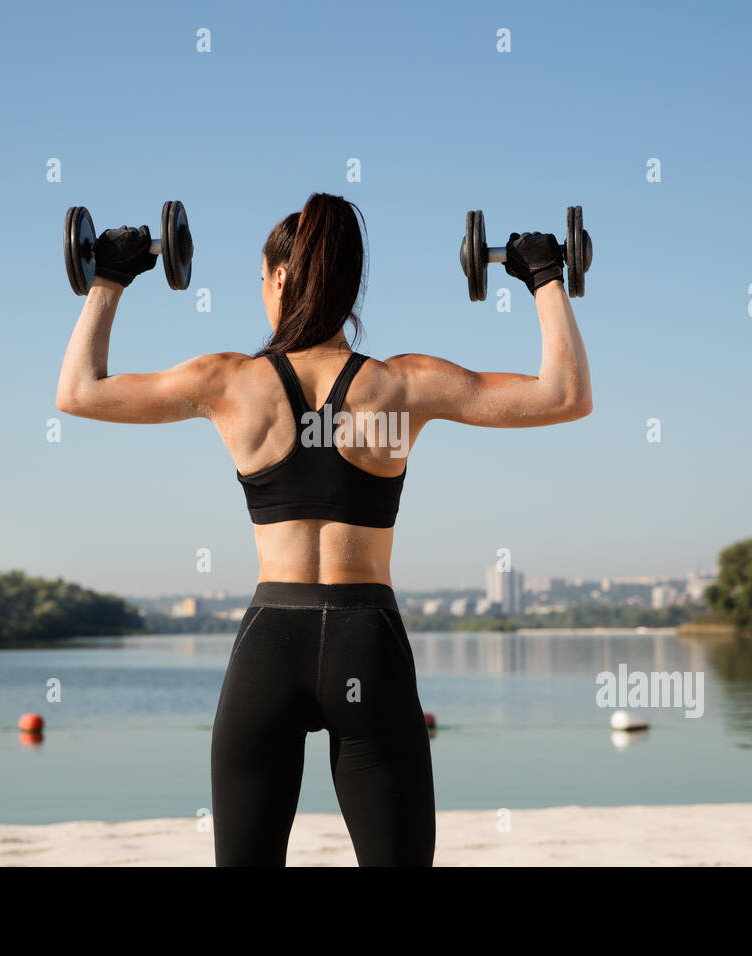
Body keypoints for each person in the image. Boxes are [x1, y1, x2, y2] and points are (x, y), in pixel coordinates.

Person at [55, 192, 592, 866]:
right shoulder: (405, 384)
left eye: (260, 279)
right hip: (366, 642)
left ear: (281, 278)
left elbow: (78, 391)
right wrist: (544, 277)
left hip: (268, 648)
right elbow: (565, 396)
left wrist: (109, 276)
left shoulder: (229, 382)